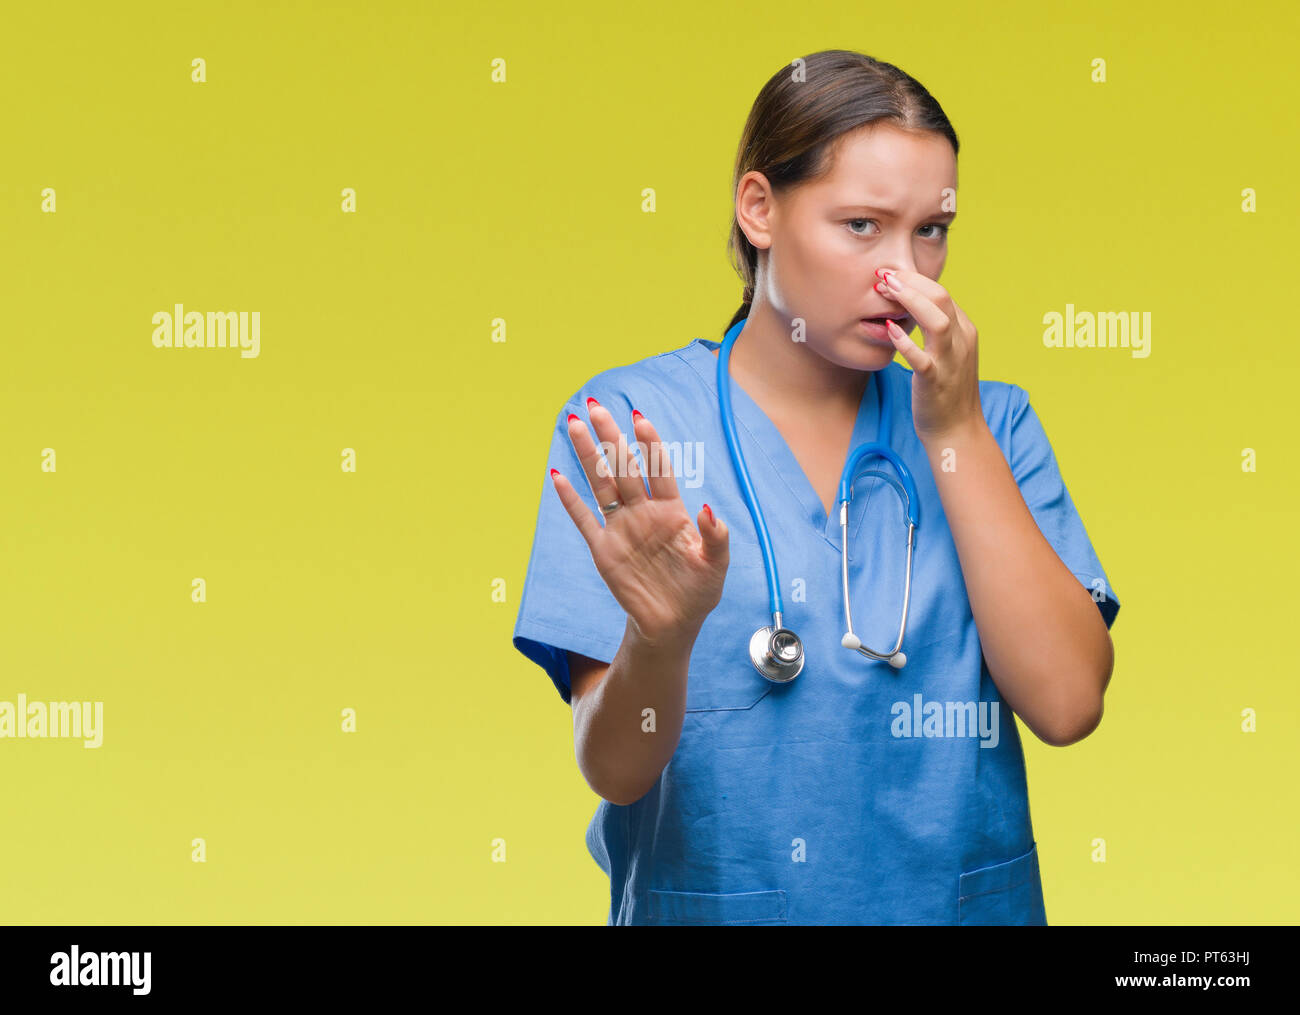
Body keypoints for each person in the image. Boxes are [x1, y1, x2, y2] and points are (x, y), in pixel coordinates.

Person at [512, 49, 1119, 926]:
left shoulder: (995, 426)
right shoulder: (628, 426)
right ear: (758, 208)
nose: (904, 275)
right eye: (862, 226)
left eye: (932, 230)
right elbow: (616, 769)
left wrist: (953, 434)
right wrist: (661, 638)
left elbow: (1067, 704)